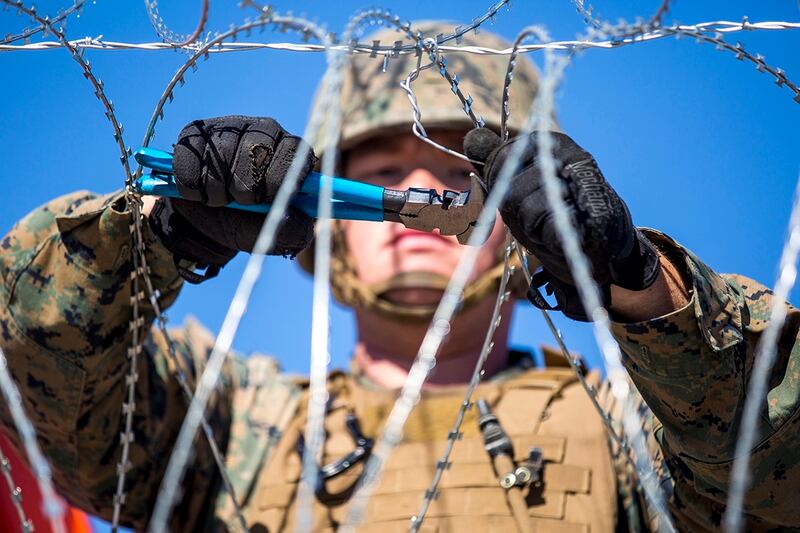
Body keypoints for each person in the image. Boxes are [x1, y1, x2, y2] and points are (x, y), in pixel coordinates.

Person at [0, 21, 798, 532]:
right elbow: (41, 377)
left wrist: (640, 284)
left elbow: (773, 484)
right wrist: (164, 231)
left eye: (455, 174)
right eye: (381, 172)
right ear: (331, 230)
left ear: (523, 223)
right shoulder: (230, 422)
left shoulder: (628, 430)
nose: (418, 199)